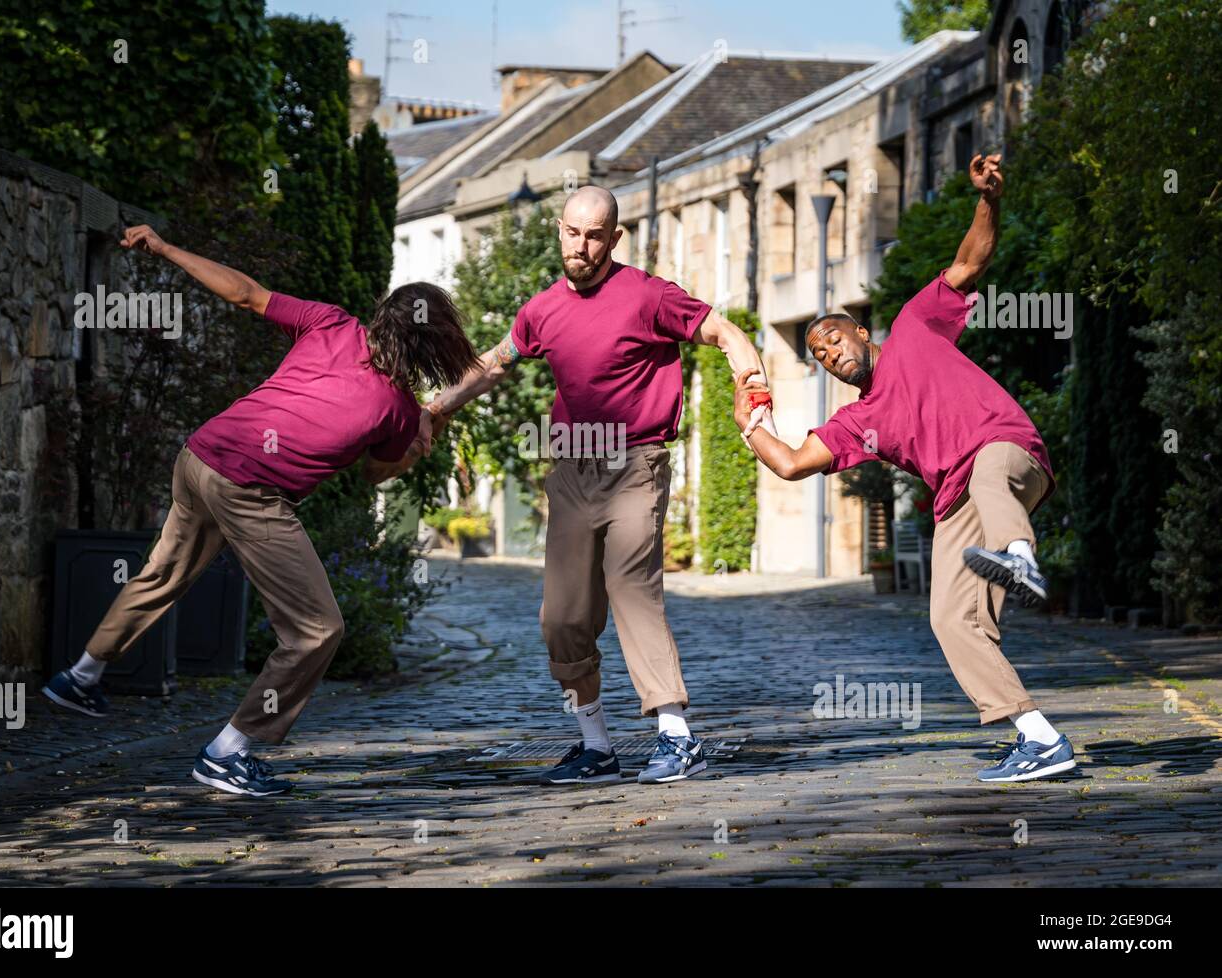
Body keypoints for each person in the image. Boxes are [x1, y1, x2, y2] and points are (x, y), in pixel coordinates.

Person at [42, 224, 477, 797]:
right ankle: (228, 751)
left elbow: (245, 293)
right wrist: (420, 443)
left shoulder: (331, 323)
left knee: (162, 575)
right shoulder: (397, 410)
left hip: (200, 456)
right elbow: (376, 472)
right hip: (248, 488)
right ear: (432, 348)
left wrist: (168, 246)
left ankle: (81, 676)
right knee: (317, 629)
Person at [733, 155, 1076, 783]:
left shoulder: (918, 327)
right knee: (950, 619)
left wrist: (990, 200)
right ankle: (1040, 737)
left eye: (834, 340)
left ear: (861, 332)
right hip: (958, 502)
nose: (830, 355)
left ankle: (1020, 552)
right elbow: (788, 463)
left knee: (986, 473)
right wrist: (750, 422)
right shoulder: (855, 421)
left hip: (1005, 451)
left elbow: (970, 263)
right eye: (818, 355)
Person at [426, 185, 778, 785]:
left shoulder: (647, 296)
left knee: (631, 586)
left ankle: (675, 736)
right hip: (570, 472)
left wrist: (754, 384)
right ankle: (597, 745)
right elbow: (494, 364)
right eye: (572, 232)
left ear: (614, 239)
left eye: (595, 236)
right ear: (559, 232)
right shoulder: (540, 311)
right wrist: (433, 410)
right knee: (561, 618)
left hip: (635, 464)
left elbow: (724, 331)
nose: (582, 246)